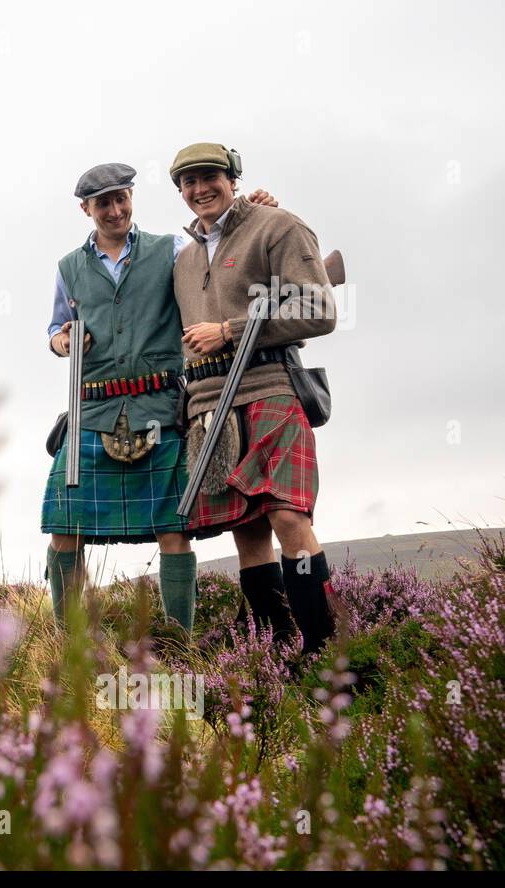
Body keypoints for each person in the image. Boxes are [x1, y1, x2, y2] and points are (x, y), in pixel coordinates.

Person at [42, 164, 279, 635]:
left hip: (160, 407)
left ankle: (179, 640)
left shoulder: (170, 250)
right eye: (102, 203)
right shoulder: (69, 267)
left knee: (175, 530)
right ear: (85, 209)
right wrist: (63, 340)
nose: (114, 210)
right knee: (63, 528)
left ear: (131, 197)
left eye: (121, 198)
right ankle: (67, 642)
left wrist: (250, 215)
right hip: (92, 410)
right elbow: (54, 330)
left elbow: (217, 256)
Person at [169, 142, 338, 660]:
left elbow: (320, 307)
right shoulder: (184, 257)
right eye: (188, 181)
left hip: (268, 387)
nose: (200, 189)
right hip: (207, 406)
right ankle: (278, 655)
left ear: (233, 177)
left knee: (289, 519)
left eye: (210, 177)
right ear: (179, 191)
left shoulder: (278, 225)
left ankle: (325, 653)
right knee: (246, 533)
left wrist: (229, 330)